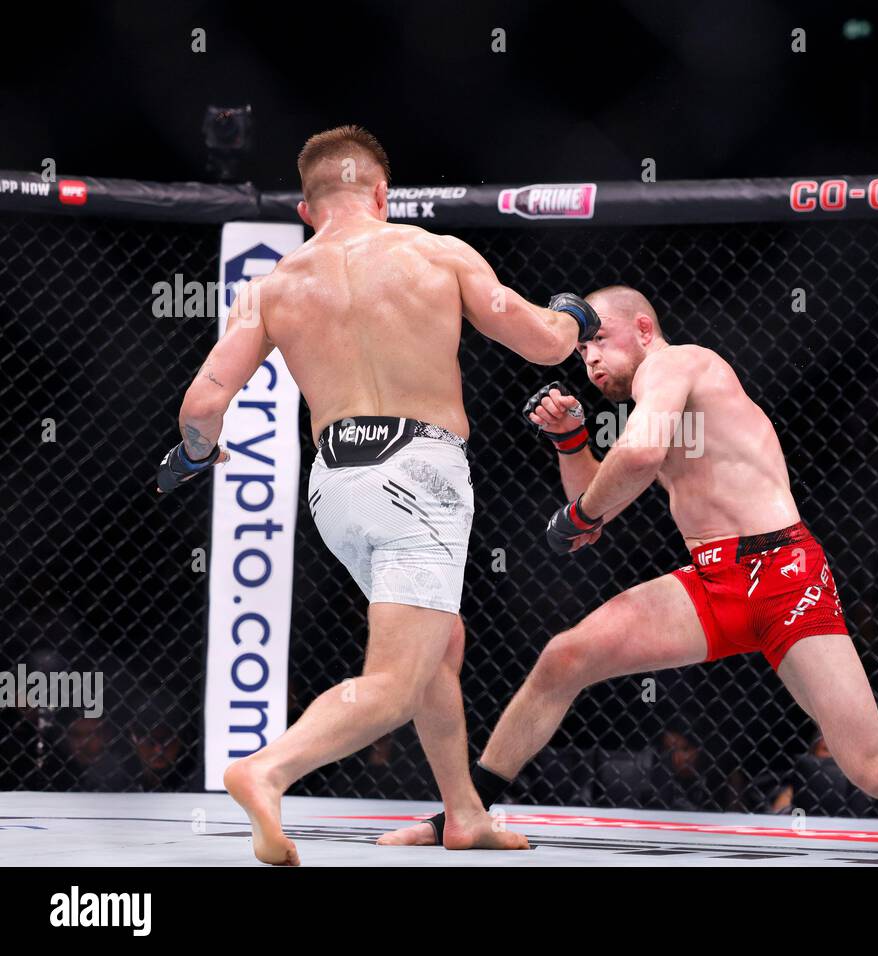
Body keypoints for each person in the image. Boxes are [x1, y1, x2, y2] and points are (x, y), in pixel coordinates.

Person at [382, 285, 878, 854]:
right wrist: (572, 442)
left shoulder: (680, 362)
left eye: (596, 339)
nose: (590, 359)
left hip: (786, 575)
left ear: (642, 329)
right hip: (712, 580)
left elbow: (626, 468)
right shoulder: (650, 407)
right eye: (580, 352)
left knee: (873, 768)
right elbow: (596, 512)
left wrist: (577, 513)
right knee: (564, 657)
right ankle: (464, 815)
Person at [155, 124, 600, 864]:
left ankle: (463, 814)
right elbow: (545, 343)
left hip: (334, 486)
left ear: (307, 208)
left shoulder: (273, 285)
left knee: (437, 644)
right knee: (395, 682)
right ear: (384, 193)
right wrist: (576, 314)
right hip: (418, 474)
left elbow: (201, 408)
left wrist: (199, 456)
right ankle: (267, 771)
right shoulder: (434, 252)